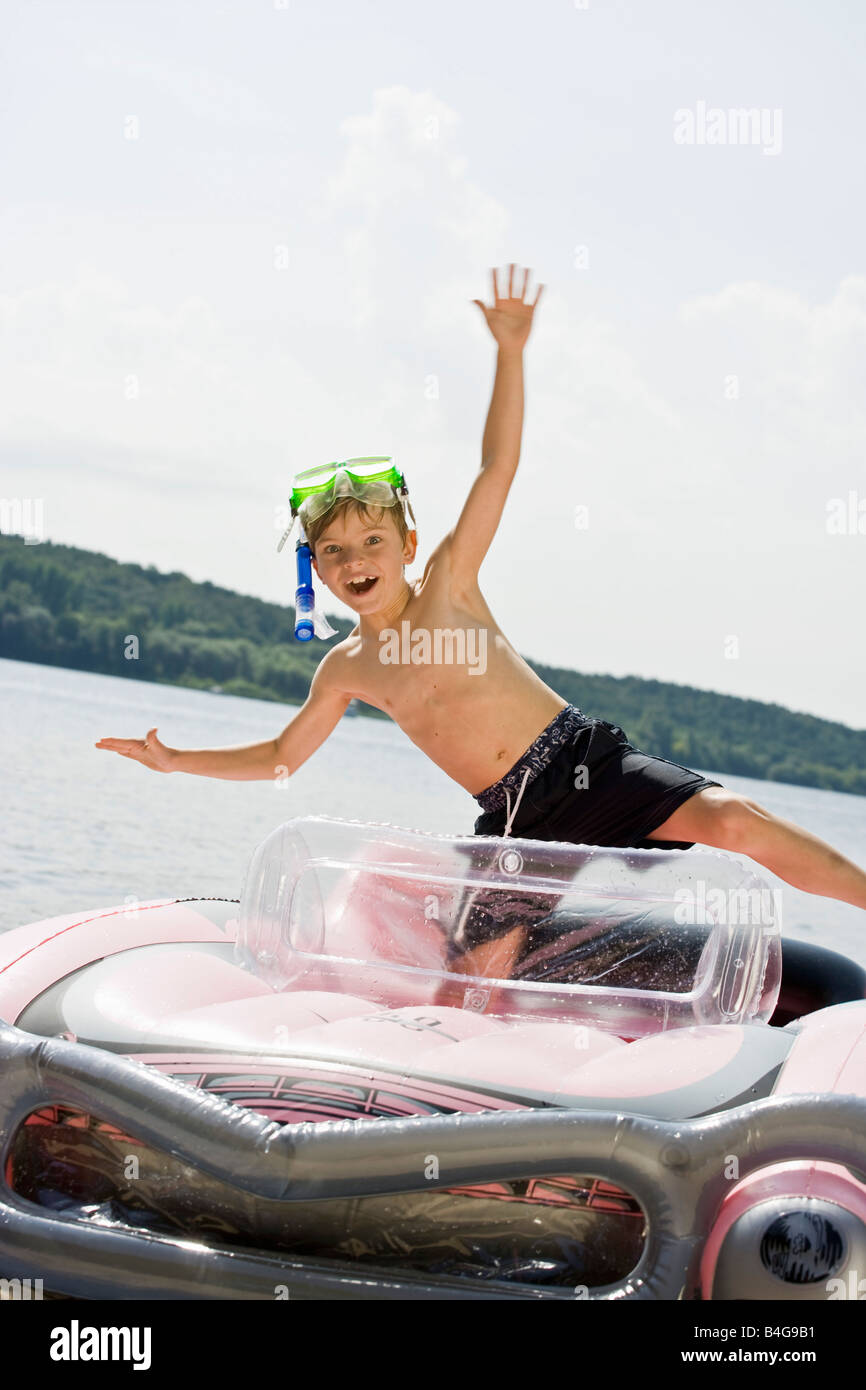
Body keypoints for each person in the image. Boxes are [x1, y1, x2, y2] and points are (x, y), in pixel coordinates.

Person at [95, 264, 866, 983]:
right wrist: (176, 760)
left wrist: (510, 352)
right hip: (515, 813)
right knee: (475, 976)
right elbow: (279, 759)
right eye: (334, 551)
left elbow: (497, 466)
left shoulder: (450, 586)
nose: (355, 559)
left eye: (373, 542)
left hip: (578, 760)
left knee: (732, 820)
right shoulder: (346, 669)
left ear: (408, 547)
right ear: (317, 572)